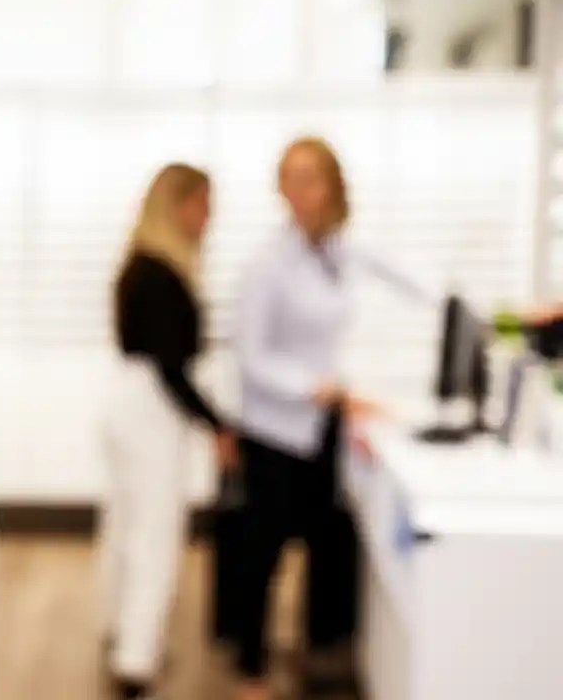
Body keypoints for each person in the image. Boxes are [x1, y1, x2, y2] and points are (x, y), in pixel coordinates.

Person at [231, 137, 430, 700]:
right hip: (274, 428)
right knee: (263, 550)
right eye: (288, 178)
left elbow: (410, 280)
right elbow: (251, 356)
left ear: (333, 185)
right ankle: (251, 665)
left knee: (325, 542)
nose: (298, 191)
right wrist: (319, 390)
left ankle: (316, 652)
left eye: (309, 177)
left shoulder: (339, 251)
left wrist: (488, 311)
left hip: (322, 429)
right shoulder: (268, 263)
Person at [101, 163, 237, 700]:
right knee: (154, 535)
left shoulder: (140, 265)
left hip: (125, 402)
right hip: (150, 412)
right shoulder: (161, 273)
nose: (210, 218)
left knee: (124, 527)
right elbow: (171, 367)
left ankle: (118, 633)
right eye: (203, 204)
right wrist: (217, 425)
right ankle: (136, 659)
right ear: (176, 205)